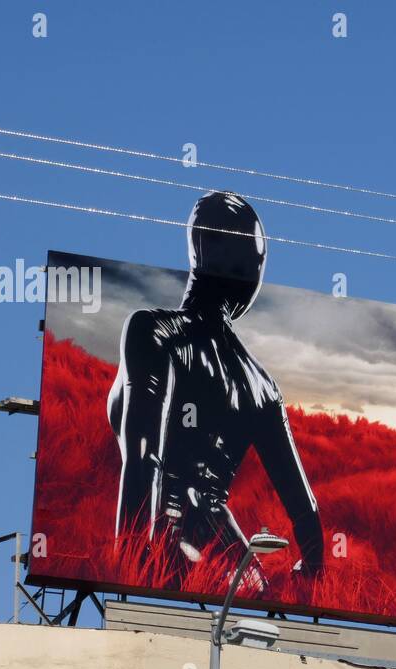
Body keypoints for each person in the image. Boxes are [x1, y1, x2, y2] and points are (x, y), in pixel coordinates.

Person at [107, 191, 323, 583]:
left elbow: (144, 462)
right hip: (238, 570)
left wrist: (130, 575)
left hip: (166, 553)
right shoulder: (262, 386)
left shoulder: (153, 332)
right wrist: (307, 575)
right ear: (253, 274)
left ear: (198, 247)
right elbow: (305, 509)